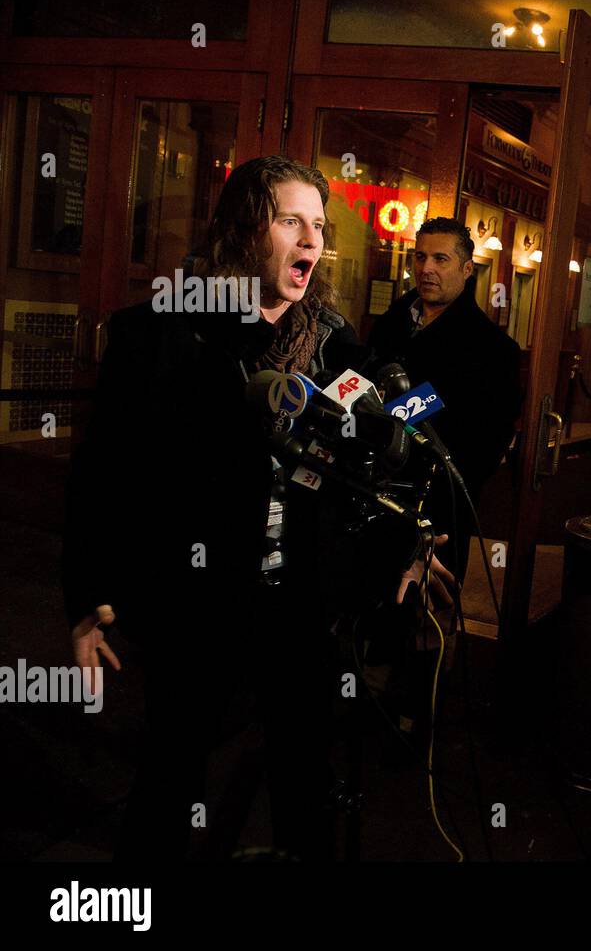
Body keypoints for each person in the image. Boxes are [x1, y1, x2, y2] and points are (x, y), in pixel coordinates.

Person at [62, 155, 452, 860]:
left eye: (320, 227)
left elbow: (417, 414)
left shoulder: (331, 338)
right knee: (171, 777)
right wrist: (88, 593)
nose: (311, 240)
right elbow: (101, 474)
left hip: (301, 599)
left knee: (305, 780)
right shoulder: (165, 332)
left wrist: (414, 529)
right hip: (197, 598)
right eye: (291, 222)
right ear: (246, 230)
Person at [366, 217, 522, 580]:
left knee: (424, 622)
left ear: (467, 269)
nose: (426, 269)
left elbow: (482, 452)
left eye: (440, 259)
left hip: (436, 510)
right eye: (420, 257)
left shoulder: (493, 351)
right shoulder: (390, 323)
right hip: (369, 496)